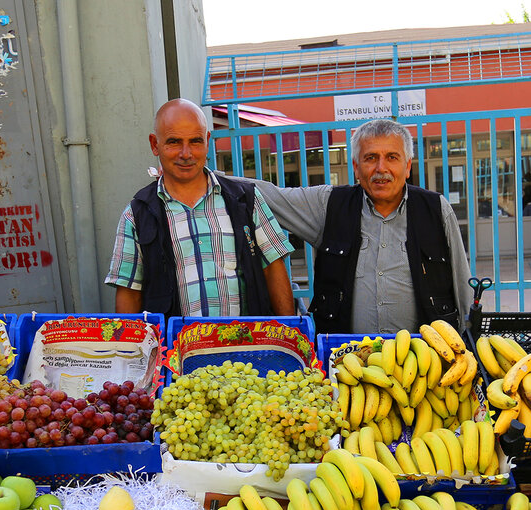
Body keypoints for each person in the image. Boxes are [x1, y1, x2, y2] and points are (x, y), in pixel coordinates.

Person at [238, 118, 472, 334]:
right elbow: (268, 195)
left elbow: (462, 285)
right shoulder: (329, 205)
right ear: (356, 167)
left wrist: (469, 340)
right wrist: (216, 179)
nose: (381, 168)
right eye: (370, 158)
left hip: (424, 358)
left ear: (408, 166)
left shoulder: (436, 209)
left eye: (392, 157)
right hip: (344, 358)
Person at [106, 99, 295, 317]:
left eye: (195, 141)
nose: (186, 154)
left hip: (247, 338)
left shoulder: (245, 199)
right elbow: (130, 293)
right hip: (174, 340)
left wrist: (289, 332)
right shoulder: (137, 215)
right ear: (154, 144)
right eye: (174, 142)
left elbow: (273, 268)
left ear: (207, 141)